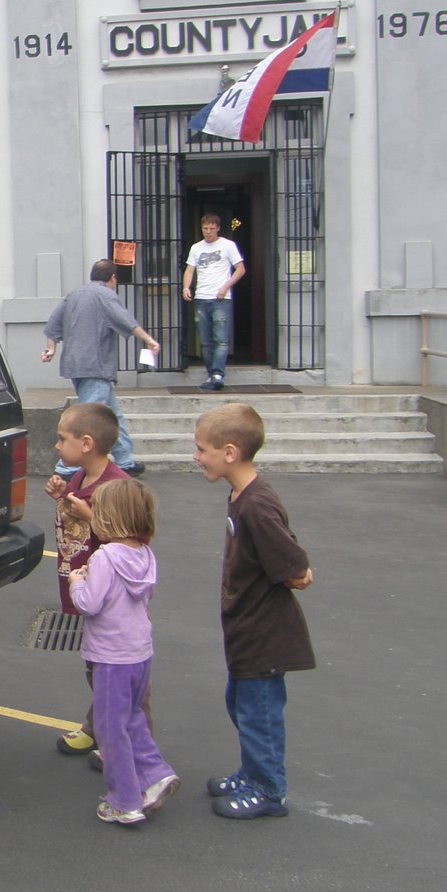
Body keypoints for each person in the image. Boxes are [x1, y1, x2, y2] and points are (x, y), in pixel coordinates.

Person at [192, 403, 316, 820]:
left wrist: (295, 573)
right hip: (246, 631)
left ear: (230, 453)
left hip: (265, 635)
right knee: (240, 706)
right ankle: (252, 773)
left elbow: (297, 570)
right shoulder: (241, 496)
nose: (196, 457)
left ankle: (268, 791)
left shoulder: (257, 506)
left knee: (258, 714)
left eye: (201, 449)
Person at [68, 479, 179, 825]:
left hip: (111, 658)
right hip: (139, 652)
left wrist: (77, 581)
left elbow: (89, 604)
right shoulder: (144, 555)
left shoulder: (104, 558)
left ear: (109, 518)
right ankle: (155, 773)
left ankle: (125, 800)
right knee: (131, 718)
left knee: (109, 728)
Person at [44, 403, 148, 763]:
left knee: (120, 669)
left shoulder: (118, 487)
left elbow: (136, 540)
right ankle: (97, 726)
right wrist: (61, 495)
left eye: (62, 439)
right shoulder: (80, 477)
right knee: (97, 666)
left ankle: (133, 740)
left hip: (112, 597)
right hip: (86, 587)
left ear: (86, 443)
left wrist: (93, 516)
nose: (57, 446)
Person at [41, 259, 161, 477]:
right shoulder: (106, 296)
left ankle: (124, 459)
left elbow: (53, 324)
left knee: (112, 414)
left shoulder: (73, 295)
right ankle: (68, 466)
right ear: (112, 278)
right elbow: (127, 322)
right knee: (87, 418)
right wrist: (149, 341)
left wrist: (50, 350)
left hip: (74, 364)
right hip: (95, 365)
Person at [181, 214, 246, 391]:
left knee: (221, 339)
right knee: (205, 340)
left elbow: (240, 269)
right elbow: (189, 269)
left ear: (218, 228)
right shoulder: (196, 248)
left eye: (211, 228)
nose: (208, 232)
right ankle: (211, 373)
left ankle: (218, 374)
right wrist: (186, 287)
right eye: (205, 229)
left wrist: (225, 287)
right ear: (201, 229)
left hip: (220, 298)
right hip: (201, 297)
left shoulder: (227, 245)